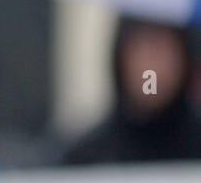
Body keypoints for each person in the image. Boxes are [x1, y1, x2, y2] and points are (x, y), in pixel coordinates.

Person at [63, 14, 201, 165]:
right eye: (143, 50)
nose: (152, 67)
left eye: (161, 50)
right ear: (121, 58)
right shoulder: (84, 157)